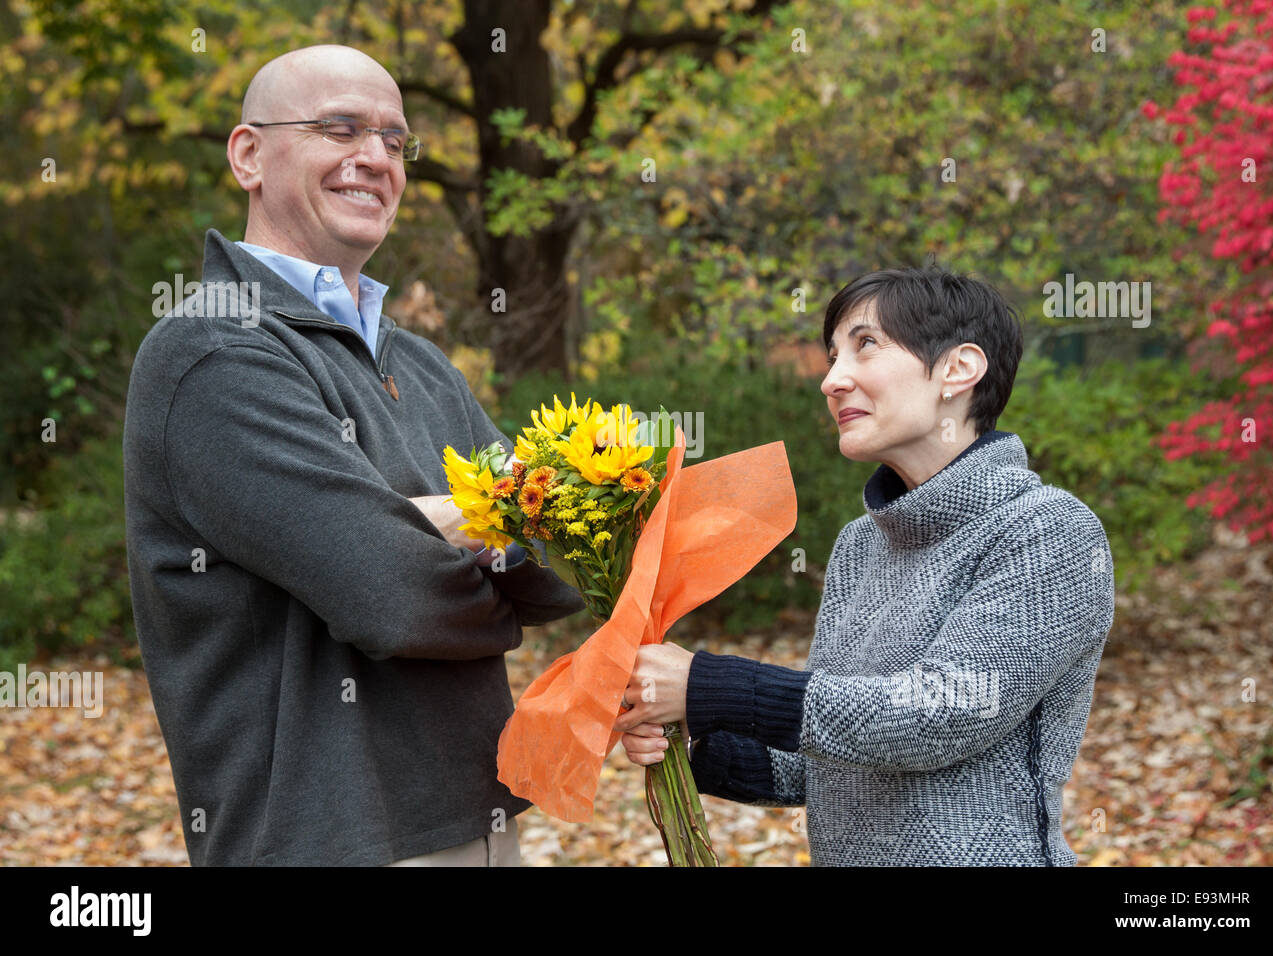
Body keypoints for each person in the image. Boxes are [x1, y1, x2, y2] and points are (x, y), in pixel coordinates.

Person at [122, 45, 584, 867]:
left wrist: (428, 530)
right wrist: (449, 547)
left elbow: (552, 564)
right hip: (325, 837)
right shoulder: (211, 352)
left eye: (394, 140)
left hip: (483, 820)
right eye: (339, 128)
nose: (374, 158)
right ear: (248, 154)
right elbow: (390, 597)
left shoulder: (424, 366)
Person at [616, 265, 1116, 866]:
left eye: (865, 346)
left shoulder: (1046, 529)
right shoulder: (861, 545)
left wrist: (708, 685)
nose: (832, 381)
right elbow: (837, 753)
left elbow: (942, 715)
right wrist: (690, 741)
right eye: (832, 358)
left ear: (958, 369)